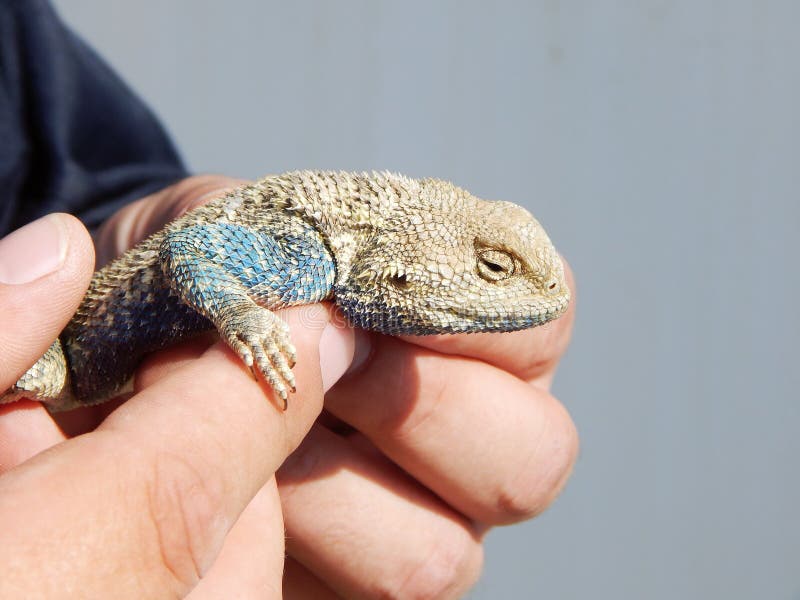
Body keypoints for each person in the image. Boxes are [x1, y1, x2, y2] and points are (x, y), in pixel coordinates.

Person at [0, 1, 578, 597]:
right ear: (407, 259)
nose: (540, 288)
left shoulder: (332, 260)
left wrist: (119, 212)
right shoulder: (306, 260)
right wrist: (243, 317)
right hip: (69, 359)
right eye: (493, 267)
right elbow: (189, 253)